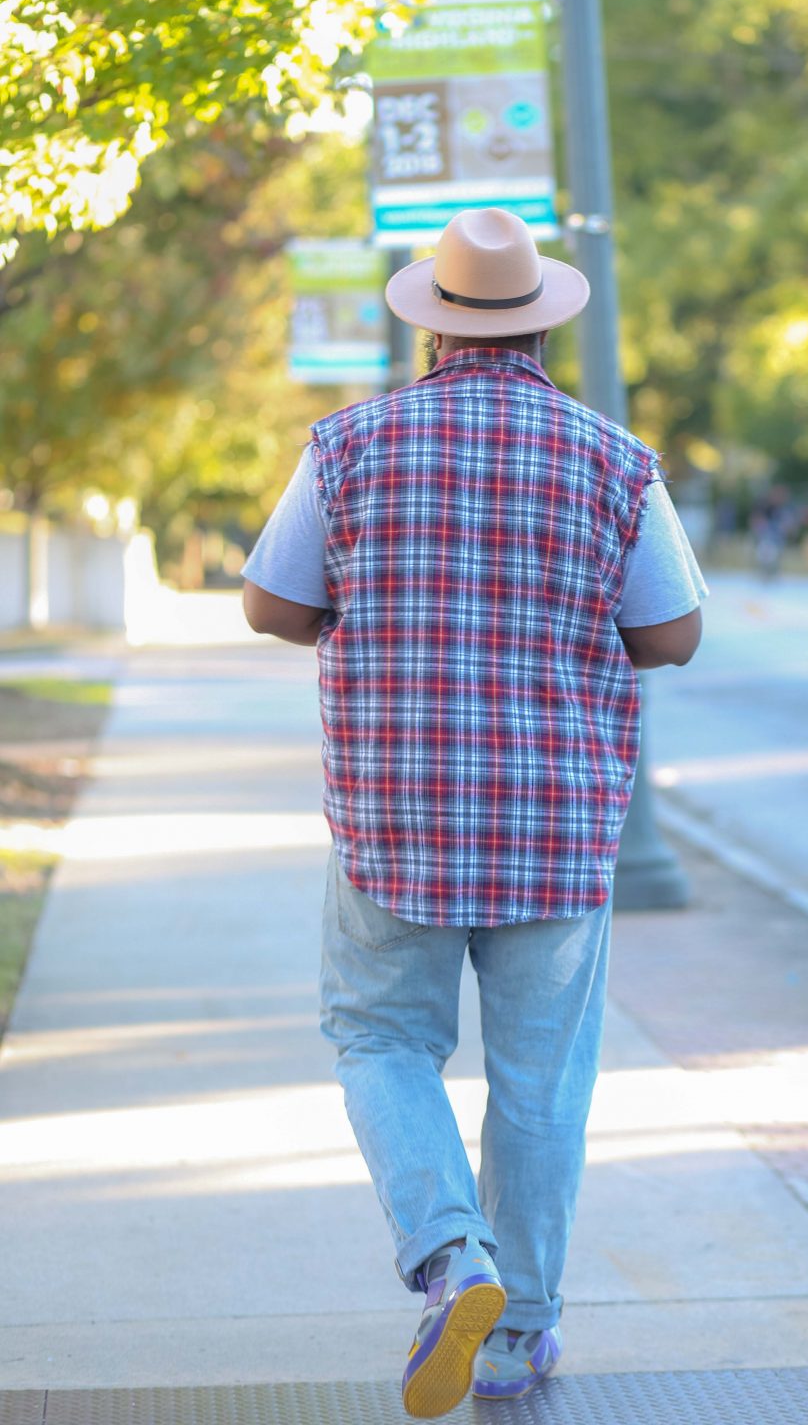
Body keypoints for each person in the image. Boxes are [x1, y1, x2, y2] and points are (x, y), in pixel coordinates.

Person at [241, 207, 707, 1418]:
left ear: (429, 331)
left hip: (393, 813)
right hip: (553, 818)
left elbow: (269, 604)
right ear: (546, 332)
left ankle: (454, 1258)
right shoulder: (611, 458)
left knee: (381, 1040)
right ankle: (518, 1340)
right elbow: (673, 633)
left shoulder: (346, 447)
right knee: (541, 1084)